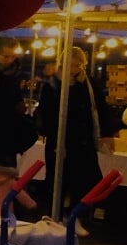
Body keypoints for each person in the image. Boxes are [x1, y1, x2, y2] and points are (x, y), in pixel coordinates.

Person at [36, 46, 107, 228]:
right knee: (58, 181)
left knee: (84, 180)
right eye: (71, 65)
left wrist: (106, 133)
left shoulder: (89, 84)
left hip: (83, 142)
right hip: (60, 141)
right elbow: (48, 115)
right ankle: (54, 216)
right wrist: (58, 143)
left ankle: (74, 216)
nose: (74, 69)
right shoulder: (53, 85)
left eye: (78, 66)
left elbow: (100, 107)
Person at [0, 37, 38, 168]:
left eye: (13, 56)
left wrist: (19, 104)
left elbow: (15, 96)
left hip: (9, 132)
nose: (10, 60)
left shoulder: (16, 72)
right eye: (6, 56)